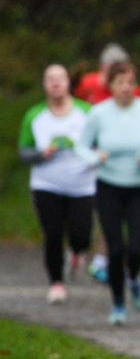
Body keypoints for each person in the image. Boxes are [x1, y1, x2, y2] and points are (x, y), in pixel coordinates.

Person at [75, 60, 140, 325]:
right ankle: (118, 304)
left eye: (130, 82)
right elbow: (82, 147)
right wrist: (95, 157)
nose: (126, 88)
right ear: (111, 86)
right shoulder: (98, 113)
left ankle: (135, 279)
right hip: (109, 187)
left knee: (137, 249)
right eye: (120, 83)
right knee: (115, 249)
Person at [18, 64, 97, 303]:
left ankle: (76, 251)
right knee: (52, 233)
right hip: (46, 184)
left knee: (81, 236)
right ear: (44, 84)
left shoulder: (87, 112)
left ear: (67, 83)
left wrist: (93, 154)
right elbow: (23, 152)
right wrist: (42, 154)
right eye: (49, 79)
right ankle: (56, 282)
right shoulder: (35, 115)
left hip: (82, 183)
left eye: (59, 78)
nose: (54, 83)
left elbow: (102, 143)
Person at [73, 42, 140, 283]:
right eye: (109, 68)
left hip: (116, 161)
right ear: (101, 67)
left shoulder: (132, 90)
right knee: (92, 210)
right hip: (88, 153)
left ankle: (103, 259)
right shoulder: (88, 84)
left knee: (108, 212)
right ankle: (88, 251)